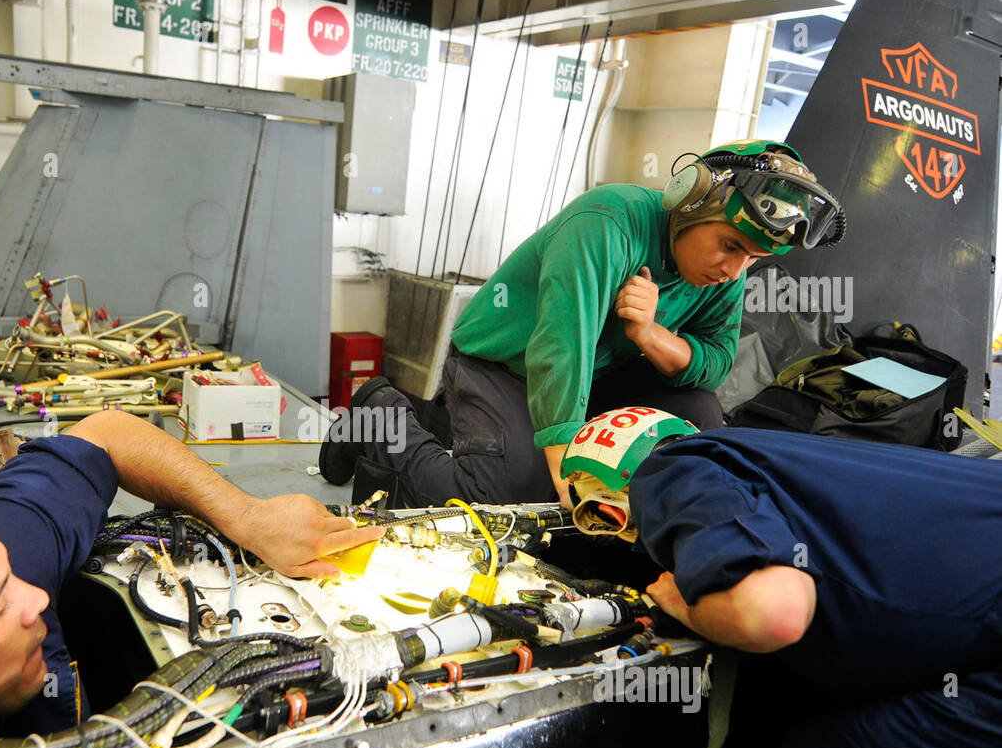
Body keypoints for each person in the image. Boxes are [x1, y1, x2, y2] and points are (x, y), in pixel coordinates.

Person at [0, 410, 383, 739]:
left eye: (8, 577)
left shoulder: (0, 552)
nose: (37, 596)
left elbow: (107, 435)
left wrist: (247, 516)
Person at [560, 408, 1002, 748]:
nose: (608, 534)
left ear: (612, 500)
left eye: (599, 519)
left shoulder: (671, 469)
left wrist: (683, 605)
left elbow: (773, 615)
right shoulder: (773, 451)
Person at [319, 139, 844, 507]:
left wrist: (649, 332)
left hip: (600, 370)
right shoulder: (608, 222)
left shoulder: (726, 272)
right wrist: (567, 475)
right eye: (730, 246)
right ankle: (380, 411)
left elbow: (715, 365)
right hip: (505, 363)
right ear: (690, 203)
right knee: (505, 496)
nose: (734, 270)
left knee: (700, 418)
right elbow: (560, 346)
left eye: (753, 259)